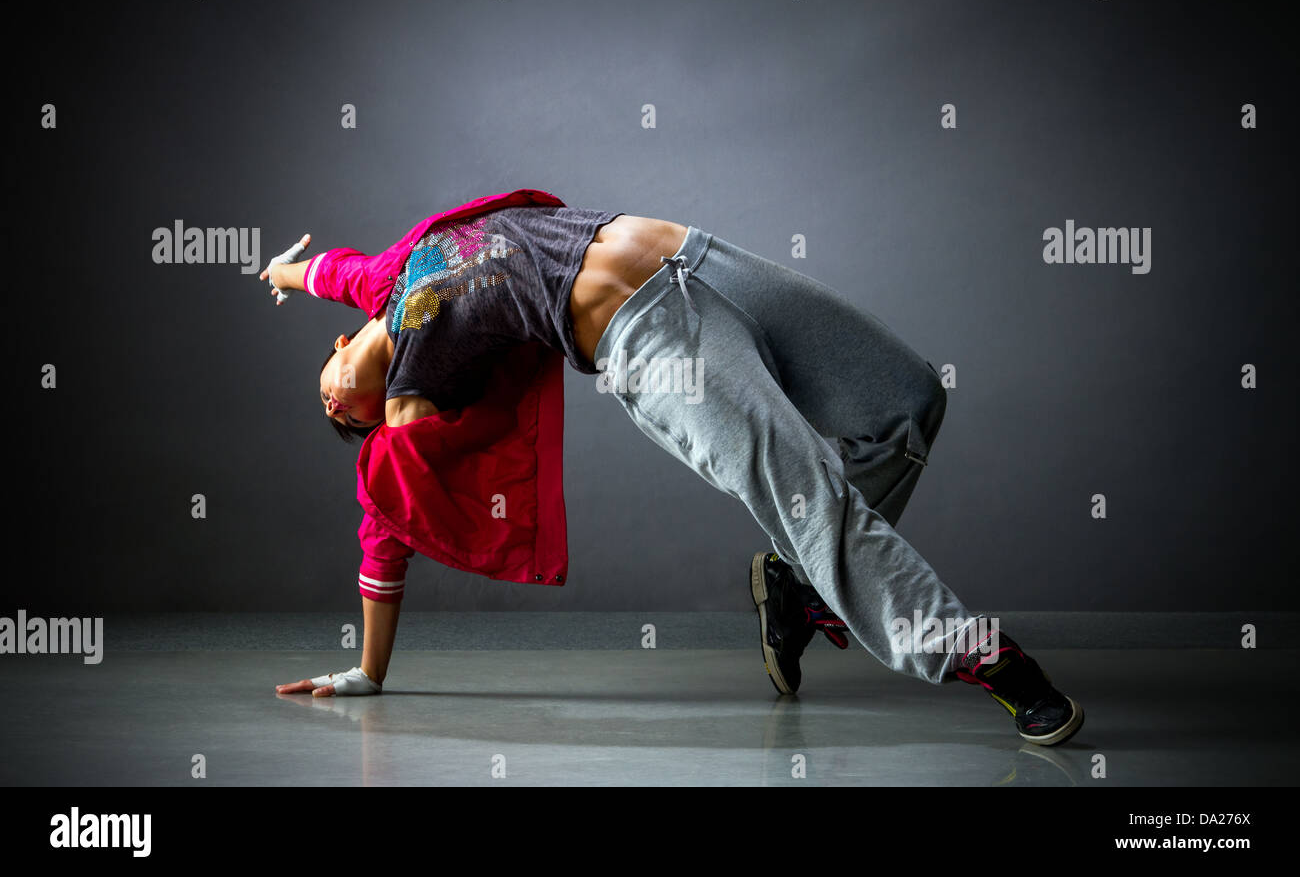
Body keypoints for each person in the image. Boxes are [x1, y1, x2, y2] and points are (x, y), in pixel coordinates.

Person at [267, 190, 1084, 747]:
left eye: (328, 396)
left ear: (339, 350)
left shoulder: (379, 281)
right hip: (653, 345)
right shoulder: (412, 407)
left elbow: (326, 268)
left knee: (906, 403)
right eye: (342, 422)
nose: (339, 409)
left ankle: (801, 593)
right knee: (811, 497)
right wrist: (367, 673)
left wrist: (281, 270)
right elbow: (388, 525)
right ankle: (983, 658)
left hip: (695, 258)